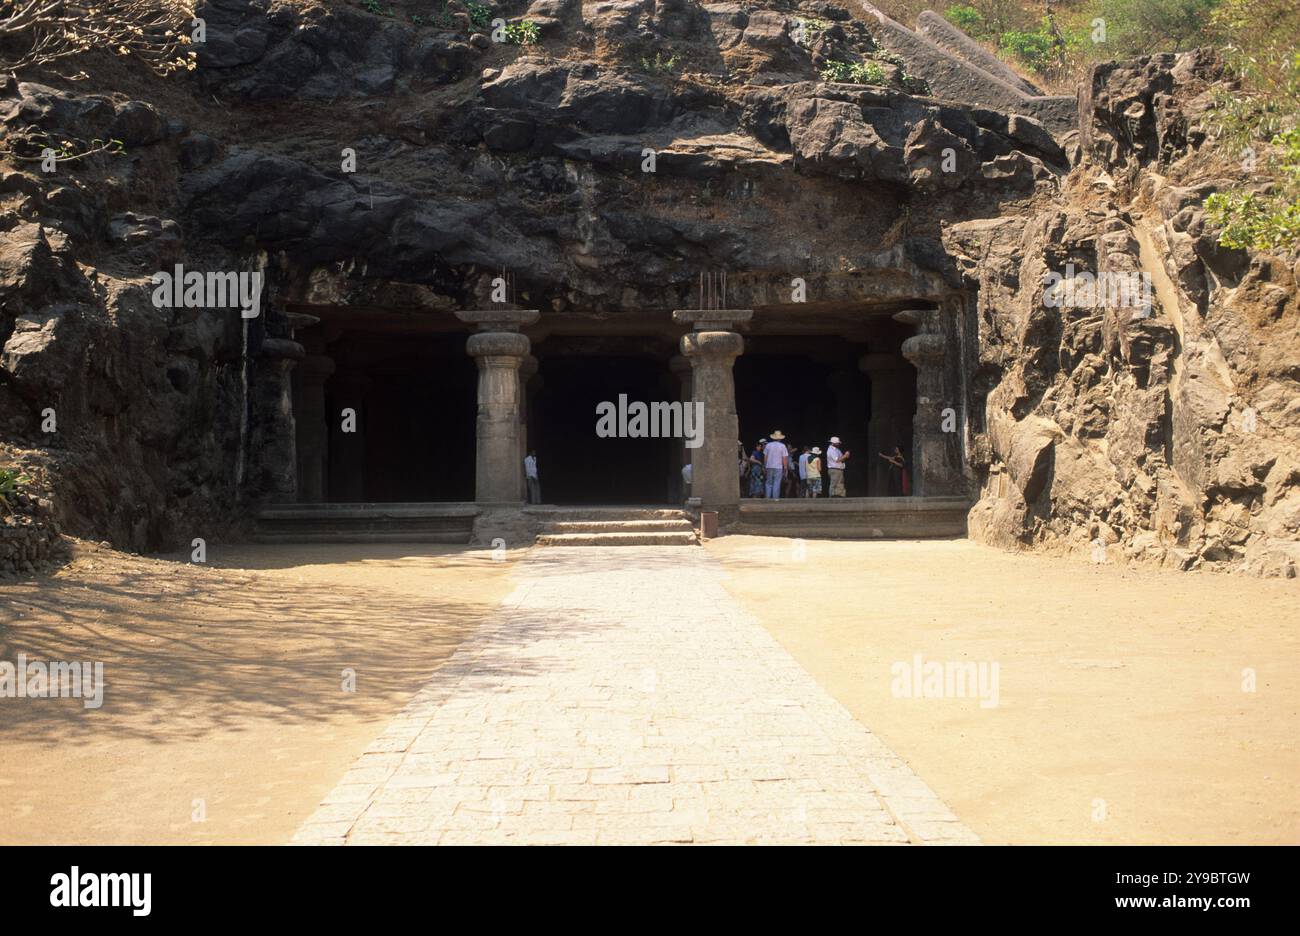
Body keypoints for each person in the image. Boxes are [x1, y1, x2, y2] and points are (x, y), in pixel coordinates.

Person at [764, 430, 790, 500]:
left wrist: (764, 466)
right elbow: (784, 457)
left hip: (769, 466)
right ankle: (775, 498)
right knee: (777, 482)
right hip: (778, 467)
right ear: (780, 438)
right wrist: (785, 467)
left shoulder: (768, 445)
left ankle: (767, 498)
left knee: (769, 482)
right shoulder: (783, 446)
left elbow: (765, 457)